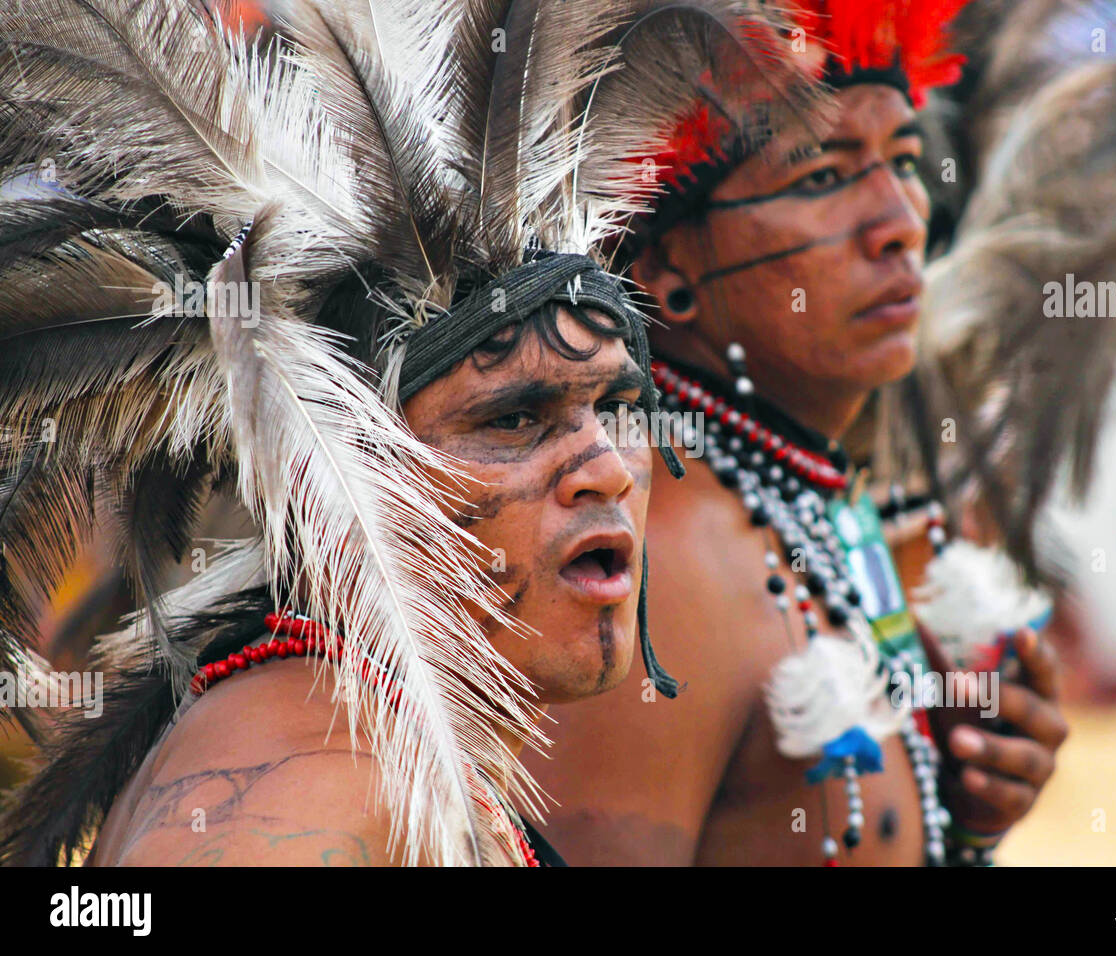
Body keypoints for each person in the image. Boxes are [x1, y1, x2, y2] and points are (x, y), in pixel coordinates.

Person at [0, 0, 777, 866]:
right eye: (514, 420)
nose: (606, 471)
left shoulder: (371, 744)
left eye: (614, 409)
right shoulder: (314, 781)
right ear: (337, 472)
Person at [527, 0, 1069, 866]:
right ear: (664, 269)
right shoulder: (657, 562)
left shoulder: (809, 506)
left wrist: (961, 814)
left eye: (903, 160)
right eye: (822, 176)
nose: (900, 222)